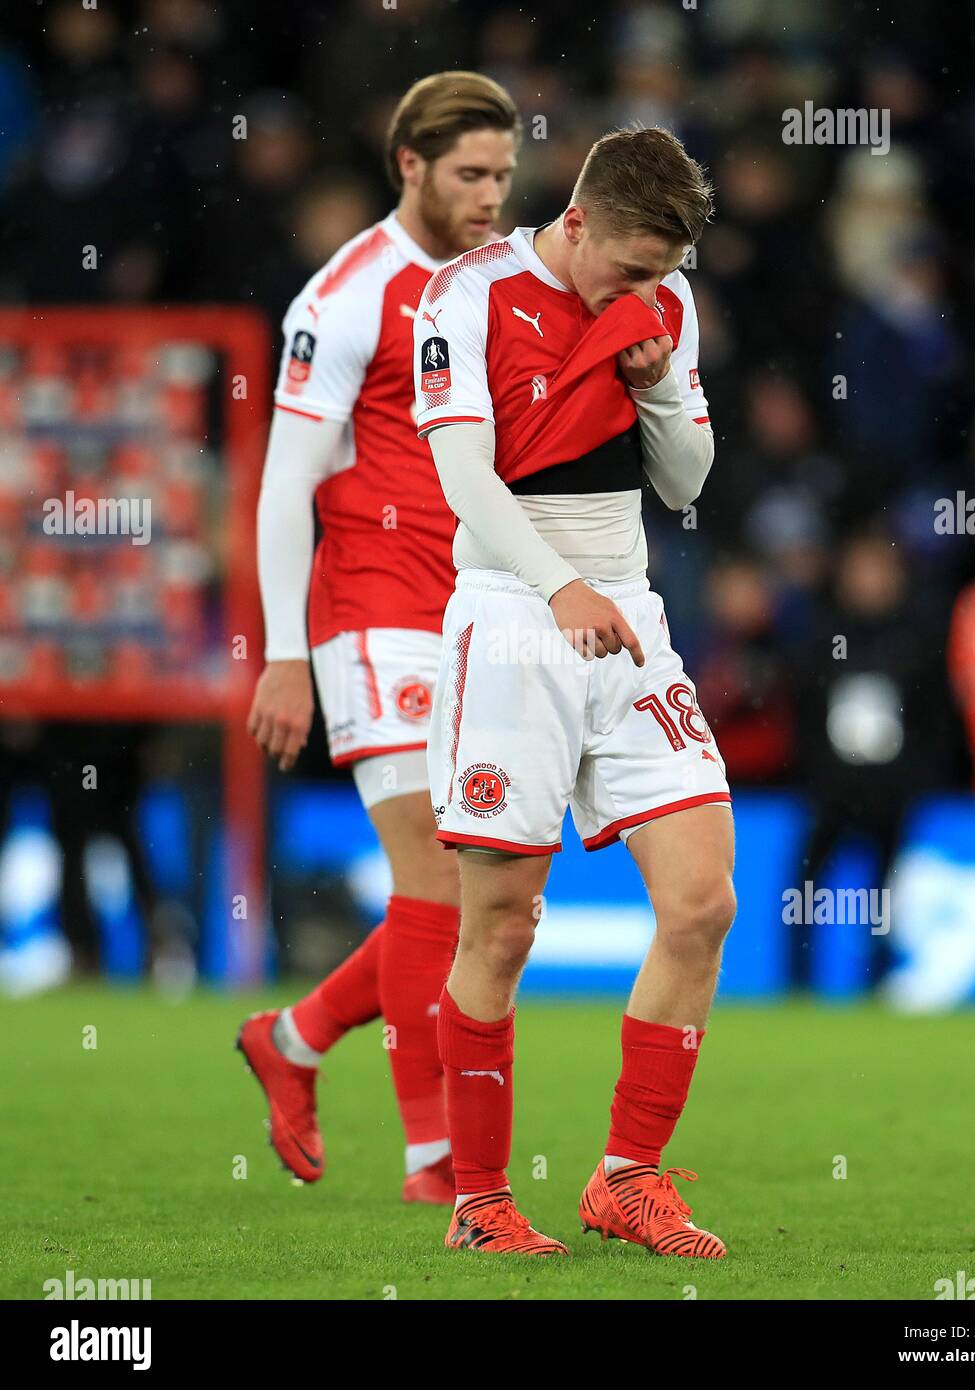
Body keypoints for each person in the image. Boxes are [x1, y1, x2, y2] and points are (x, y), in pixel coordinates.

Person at [413, 126, 736, 1257]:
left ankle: (627, 1178)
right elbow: (463, 473)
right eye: (636, 270)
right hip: (513, 612)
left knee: (703, 902)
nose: (652, 292)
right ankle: (481, 1201)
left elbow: (688, 481)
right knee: (501, 922)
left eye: (667, 276)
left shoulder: (665, 300)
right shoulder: (467, 294)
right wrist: (555, 588)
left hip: (628, 611)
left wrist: (654, 387)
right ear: (579, 220)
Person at [237, 72, 521, 1204]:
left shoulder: (499, 281)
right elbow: (284, 481)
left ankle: (296, 1037)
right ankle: (434, 1158)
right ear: (409, 165)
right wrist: (284, 651)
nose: (492, 196)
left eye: (504, 173)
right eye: (469, 176)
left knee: (491, 886)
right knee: (443, 876)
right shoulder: (347, 294)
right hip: (371, 611)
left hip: (475, 612)